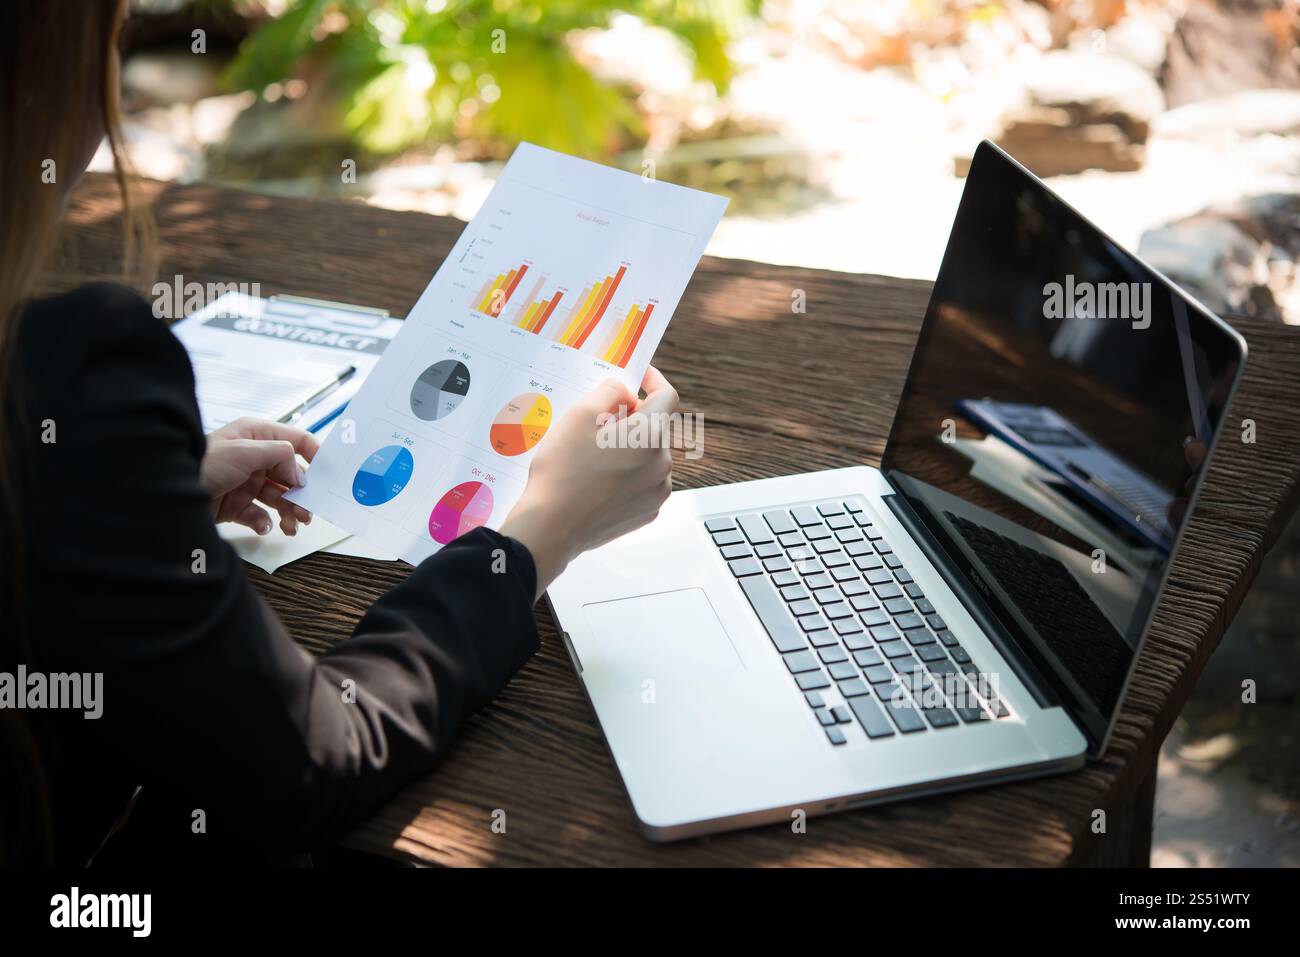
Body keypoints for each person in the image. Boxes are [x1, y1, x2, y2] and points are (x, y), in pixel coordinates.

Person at [0, 0, 678, 865]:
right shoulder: (68, 369)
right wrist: (539, 536)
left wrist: (123, 496)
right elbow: (307, 758)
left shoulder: (57, 408)